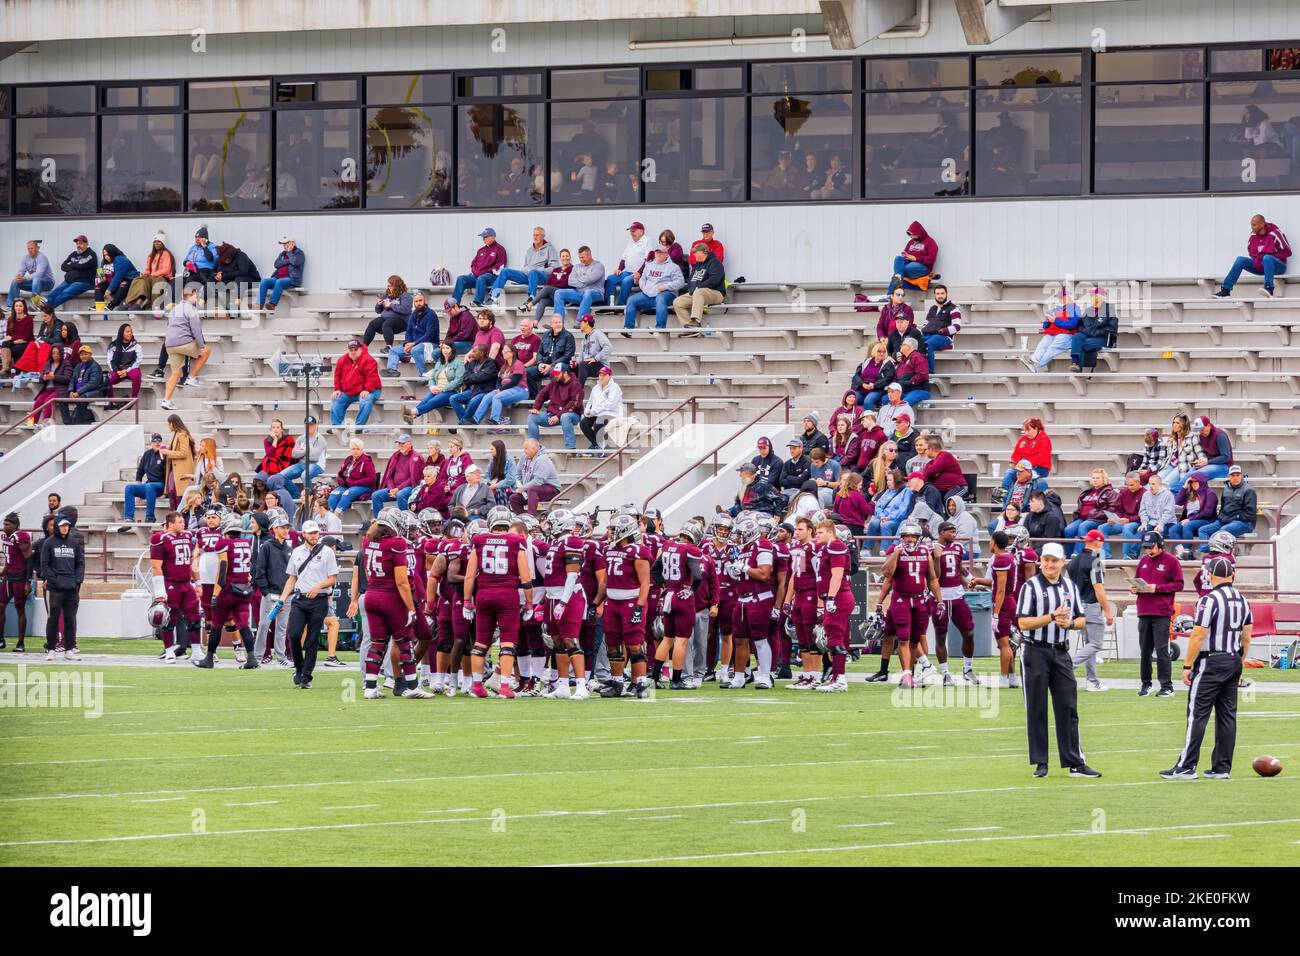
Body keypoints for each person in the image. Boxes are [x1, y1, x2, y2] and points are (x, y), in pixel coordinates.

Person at [1160, 557, 1252, 780]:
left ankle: (1186, 766)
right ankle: (1222, 767)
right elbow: (1246, 635)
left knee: (1197, 714)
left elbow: (1198, 634)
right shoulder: (1242, 600)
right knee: (1227, 715)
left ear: (1209, 576)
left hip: (1211, 661)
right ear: (1232, 575)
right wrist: (1240, 659)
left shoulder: (1209, 600)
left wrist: (1187, 665)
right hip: (1232, 659)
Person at [1016, 542, 1099, 779]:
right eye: (1046, 560)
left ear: (1063, 562)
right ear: (1041, 561)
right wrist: (1051, 617)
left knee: (1068, 706)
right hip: (1035, 651)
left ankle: (1075, 762)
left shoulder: (1070, 587)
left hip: (1061, 652)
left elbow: (1081, 619)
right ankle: (1041, 762)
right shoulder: (1030, 587)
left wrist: (1069, 624)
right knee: (1037, 708)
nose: (1050, 565)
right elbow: (1022, 622)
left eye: (1054, 560)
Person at [274, 520, 339, 690]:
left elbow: (333, 577)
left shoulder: (327, 552)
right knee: (294, 634)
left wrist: (318, 587)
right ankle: (299, 667)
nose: (314, 536)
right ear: (303, 534)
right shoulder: (296, 552)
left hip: (319, 599)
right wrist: (282, 598)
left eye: (316, 532)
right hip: (300, 597)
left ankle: (306, 675)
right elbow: (292, 577)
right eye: (310, 533)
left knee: (312, 638)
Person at [1131, 530, 1183, 698]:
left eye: (1151, 547)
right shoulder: (1143, 561)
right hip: (1144, 610)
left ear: (1160, 544)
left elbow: (1179, 584)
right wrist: (1136, 589)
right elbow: (1139, 581)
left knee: (1162, 650)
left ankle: (1167, 686)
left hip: (1161, 612)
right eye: (1145, 547)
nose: (1148, 551)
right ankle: (1146, 684)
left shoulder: (1171, 561)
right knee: (1144, 650)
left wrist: (1157, 588)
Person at [1067, 530, 1115, 692]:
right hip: (1091, 606)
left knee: (1089, 645)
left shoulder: (1073, 561)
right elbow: (1099, 588)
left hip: (1076, 606)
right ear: (1098, 542)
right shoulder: (1095, 561)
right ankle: (1069, 665)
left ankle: (1092, 681)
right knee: (1095, 644)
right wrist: (1108, 610)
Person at [37, 514, 85, 661]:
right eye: (62, 525)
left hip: (71, 588)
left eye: (67, 526)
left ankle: (69, 649)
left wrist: (77, 580)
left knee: (70, 619)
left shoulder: (74, 543)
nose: (64, 528)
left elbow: (80, 563)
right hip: (55, 588)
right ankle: (51, 649)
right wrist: (55, 580)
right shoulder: (49, 543)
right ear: (57, 527)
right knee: (53, 619)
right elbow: (45, 565)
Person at [158, 287, 211, 411]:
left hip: (170, 345)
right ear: (190, 296)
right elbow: (196, 331)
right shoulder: (191, 309)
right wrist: (202, 346)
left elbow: (169, 326)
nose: (196, 298)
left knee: (175, 373)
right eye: (195, 295)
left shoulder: (174, 309)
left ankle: (166, 400)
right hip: (183, 343)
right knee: (207, 350)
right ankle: (191, 377)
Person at [1212, 214, 1290, 299]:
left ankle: (1269, 289)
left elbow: (1287, 251)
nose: (1252, 227)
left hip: (1278, 267)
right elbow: (1250, 250)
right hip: (1261, 266)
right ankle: (1226, 291)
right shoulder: (1253, 235)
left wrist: (1268, 260)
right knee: (1240, 260)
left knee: (1267, 258)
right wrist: (1258, 260)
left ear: (1262, 224)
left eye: (1254, 225)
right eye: (1251, 224)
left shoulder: (1274, 233)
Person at [252, 515, 294, 665]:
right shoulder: (267, 546)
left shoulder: (289, 549)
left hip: (286, 595)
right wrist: (265, 592)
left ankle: (281, 657)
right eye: (282, 527)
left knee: (282, 627)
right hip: (271, 593)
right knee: (264, 625)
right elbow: (260, 570)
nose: (285, 530)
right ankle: (257, 657)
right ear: (275, 529)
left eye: (287, 527)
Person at [624, 243, 685, 332]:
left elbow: (681, 282)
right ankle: (628, 328)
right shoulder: (649, 265)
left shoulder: (673, 267)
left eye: (661, 253)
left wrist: (666, 287)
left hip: (666, 294)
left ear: (667, 254)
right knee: (631, 300)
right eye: (657, 252)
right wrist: (643, 286)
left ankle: (660, 329)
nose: (658, 254)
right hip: (648, 294)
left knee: (660, 299)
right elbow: (643, 278)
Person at [493, 226, 559, 308]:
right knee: (505, 271)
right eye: (534, 235)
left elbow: (554, 268)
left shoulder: (549, 249)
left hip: (542, 277)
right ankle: (494, 296)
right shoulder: (530, 250)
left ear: (543, 236)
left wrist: (538, 270)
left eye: (537, 235)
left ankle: (531, 297)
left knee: (533, 272)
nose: (535, 237)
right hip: (529, 276)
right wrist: (527, 270)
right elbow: (525, 267)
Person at [1196, 465, 1256, 553]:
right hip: (1225, 521)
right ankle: (1208, 552)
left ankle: (1207, 550)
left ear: (1241, 476)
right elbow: (1223, 508)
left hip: (1244, 523)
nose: (1235, 477)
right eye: (1233, 475)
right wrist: (1220, 518)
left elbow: (1250, 514)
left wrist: (1233, 518)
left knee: (1221, 532)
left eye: (1237, 475)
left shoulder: (1249, 490)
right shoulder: (1226, 489)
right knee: (1202, 530)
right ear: (1229, 476)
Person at [268, 416, 327, 503]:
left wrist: (302, 452)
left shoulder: (320, 439)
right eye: (307, 425)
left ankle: (310, 497)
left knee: (304, 475)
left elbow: (314, 457)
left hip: (316, 465)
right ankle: (297, 495)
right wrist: (307, 451)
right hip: (302, 464)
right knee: (282, 476)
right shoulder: (301, 438)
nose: (309, 427)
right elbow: (294, 454)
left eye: (311, 425)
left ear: (315, 426)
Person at [405, 341, 465, 423]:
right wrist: (432, 387)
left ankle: (412, 412)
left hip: (451, 391)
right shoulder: (440, 362)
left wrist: (443, 389)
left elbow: (458, 381)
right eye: (443, 348)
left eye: (447, 348)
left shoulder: (458, 363)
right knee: (425, 400)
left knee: (432, 401)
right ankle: (412, 416)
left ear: (452, 350)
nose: (445, 350)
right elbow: (432, 377)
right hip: (437, 389)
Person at [672, 241, 725, 336]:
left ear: (704, 252)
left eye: (696, 251)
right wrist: (693, 289)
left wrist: (698, 288)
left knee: (699, 292)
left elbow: (714, 280)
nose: (694, 253)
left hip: (716, 293)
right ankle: (691, 330)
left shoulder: (715, 262)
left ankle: (696, 321)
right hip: (698, 293)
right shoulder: (697, 265)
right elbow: (690, 281)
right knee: (678, 302)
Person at [1063, 468, 1119, 557]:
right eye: (1093, 478)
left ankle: (1079, 554)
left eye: (1098, 478)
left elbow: (1113, 508)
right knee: (1068, 530)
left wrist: (1104, 516)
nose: (1095, 480)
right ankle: (1070, 555)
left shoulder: (1110, 492)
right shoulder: (1087, 492)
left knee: (1083, 526)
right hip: (1082, 518)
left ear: (1103, 479)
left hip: (1098, 518)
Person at [383, 291, 440, 377]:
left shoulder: (431, 314)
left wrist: (413, 344)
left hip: (430, 343)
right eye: (416, 301)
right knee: (393, 350)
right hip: (414, 344)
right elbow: (408, 331)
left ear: (425, 301)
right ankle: (392, 370)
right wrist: (407, 343)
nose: (418, 303)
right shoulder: (413, 314)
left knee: (415, 350)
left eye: (420, 300)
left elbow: (430, 334)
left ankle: (423, 375)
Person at [994, 418, 1052, 502]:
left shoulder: (1044, 439)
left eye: (1028, 430)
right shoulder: (1023, 438)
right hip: (1022, 467)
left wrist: (1025, 463)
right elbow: (1015, 455)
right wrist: (1021, 464)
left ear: (1036, 428)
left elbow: (1041, 457)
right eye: (1025, 430)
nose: (1026, 433)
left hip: (1039, 468)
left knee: (1022, 477)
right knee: (1009, 473)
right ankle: (1003, 493)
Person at [1023, 288, 1080, 372]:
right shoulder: (1057, 309)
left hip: (1067, 335)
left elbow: (1071, 325)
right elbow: (1046, 327)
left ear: (1069, 297)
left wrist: (1055, 320)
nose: (1061, 299)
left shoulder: (1075, 309)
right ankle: (1033, 360)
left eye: (1063, 297)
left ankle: (1036, 367)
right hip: (1054, 334)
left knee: (1052, 348)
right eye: (1060, 297)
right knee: (1043, 343)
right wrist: (1047, 321)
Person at [473, 341, 529, 427]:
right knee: (487, 397)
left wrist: (500, 390)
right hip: (506, 389)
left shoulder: (518, 364)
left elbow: (515, 381)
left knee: (496, 397)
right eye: (503, 351)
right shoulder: (504, 366)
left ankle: (494, 420)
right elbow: (498, 380)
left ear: (512, 353)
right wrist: (498, 388)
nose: (504, 353)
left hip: (520, 390)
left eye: (506, 351)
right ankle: (475, 420)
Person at [0, 512, 34, 652]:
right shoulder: (5, 537)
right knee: (0, 606)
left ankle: (20, 642)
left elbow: (29, 559)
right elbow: (10, 558)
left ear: (15, 525)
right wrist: (3, 571)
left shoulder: (21, 537)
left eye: (7, 524)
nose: (4, 527)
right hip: (8, 577)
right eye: (4, 524)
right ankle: (1, 639)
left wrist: (28, 581)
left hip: (20, 578)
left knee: (20, 610)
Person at [527, 367, 583, 449]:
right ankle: (533, 447)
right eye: (554, 374)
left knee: (565, 417)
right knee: (532, 417)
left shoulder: (576, 384)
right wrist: (536, 407)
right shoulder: (554, 382)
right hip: (553, 415)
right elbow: (542, 394)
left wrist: (558, 416)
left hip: (572, 415)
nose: (555, 376)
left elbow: (574, 404)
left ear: (565, 373)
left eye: (557, 374)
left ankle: (570, 449)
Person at [330, 338, 381, 427]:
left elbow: (371, 377)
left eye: (355, 349)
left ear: (360, 349)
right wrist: (337, 389)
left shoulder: (369, 360)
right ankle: (337, 426)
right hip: (349, 391)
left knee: (366, 400)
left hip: (370, 390)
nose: (353, 352)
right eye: (351, 350)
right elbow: (337, 375)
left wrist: (367, 389)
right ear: (348, 350)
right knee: (336, 399)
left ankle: (358, 426)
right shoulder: (342, 360)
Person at [452, 227, 508, 306]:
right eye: (483, 237)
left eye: (486, 237)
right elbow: (473, 263)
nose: (483, 239)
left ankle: (477, 302)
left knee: (481, 278)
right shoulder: (481, 250)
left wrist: (486, 272)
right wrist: (474, 272)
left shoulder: (500, 249)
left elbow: (500, 267)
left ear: (493, 237)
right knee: (461, 278)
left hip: (491, 277)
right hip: (476, 277)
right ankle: (454, 304)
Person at [1167, 471, 1218, 558]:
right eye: (1192, 482)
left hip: (1206, 520)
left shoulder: (1210, 493)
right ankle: (1181, 552)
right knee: (1173, 530)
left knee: (1188, 526)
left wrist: (1190, 519)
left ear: (1202, 481)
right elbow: (1178, 501)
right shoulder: (1190, 492)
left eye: (1196, 481)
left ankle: (1188, 552)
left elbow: (1207, 513)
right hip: (1191, 520)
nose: (1193, 484)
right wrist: (1184, 487)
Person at [372, 434, 425, 514]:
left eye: (403, 443)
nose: (400, 445)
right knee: (376, 495)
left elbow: (414, 478)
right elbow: (389, 475)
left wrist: (398, 489)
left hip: (410, 488)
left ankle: (406, 519)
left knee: (401, 495)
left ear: (410, 444)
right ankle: (379, 521)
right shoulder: (395, 456)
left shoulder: (416, 457)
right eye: (399, 443)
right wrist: (391, 489)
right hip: (394, 488)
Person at [1069, 287, 1117, 373]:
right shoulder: (1088, 310)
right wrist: (1088, 331)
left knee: (1083, 344)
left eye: (1094, 296)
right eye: (1091, 296)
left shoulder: (1109, 309)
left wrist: (1094, 332)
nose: (1092, 298)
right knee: (1077, 337)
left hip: (1103, 338)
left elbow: (1112, 328)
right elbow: (1081, 326)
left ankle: (1078, 370)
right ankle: (1075, 363)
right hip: (1088, 335)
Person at [553, 245, 606, 323]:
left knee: (588, 292)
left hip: (595, 293)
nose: (581, 260)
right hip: (579, 293)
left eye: (583, 257)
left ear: (589, 255)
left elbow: (590, 279)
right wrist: (583, 283)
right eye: (580, 257)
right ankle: (558, 322)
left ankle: (579, 321)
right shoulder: (577, 267)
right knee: (558, 293)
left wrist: (578, 281)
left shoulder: (598, 266)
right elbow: (570, 281)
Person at [447, 344, 499, 423]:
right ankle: (464, 422)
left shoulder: (491, 364)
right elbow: (465, 378)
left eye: (474, 352)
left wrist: (472, 377)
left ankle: (463, 423)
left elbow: (482, 377)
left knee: (473, 401)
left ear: (481, 353)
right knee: (453, 398)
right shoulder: (472, 363)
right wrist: (475, 376)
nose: (472, 354)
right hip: (472, 390)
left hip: (484, 391)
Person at [123, 231, 174, 311]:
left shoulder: (166, 254)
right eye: (155, 242)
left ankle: (153, 305)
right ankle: (133, 303)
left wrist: (154, 274)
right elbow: (148, 270)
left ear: (163, 243)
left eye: (159, 242)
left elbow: (166, 270)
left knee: (156, 280)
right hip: (152, 276)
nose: (156, 244)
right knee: (139, 280)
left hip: (163, 277)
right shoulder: (151, 255)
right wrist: (144, 274)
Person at [41, 235, 96, 309]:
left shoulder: (91, 254)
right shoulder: (74, 254)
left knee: (65, 293)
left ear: (86, 244)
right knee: (56, 291)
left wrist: (72, 264)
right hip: (69, 281)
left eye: (81, 243)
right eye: (77, 244)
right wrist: (77, 265)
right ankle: (43, 304)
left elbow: (81, 266)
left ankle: (47, 309)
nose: (78, 246)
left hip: (84, 282)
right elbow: (63, 267)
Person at [917, 283, 962, 373]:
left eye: (942, 293)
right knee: (915, 342)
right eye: (938, 294)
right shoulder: (933, 309)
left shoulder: (953, 308)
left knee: (928, 344)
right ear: (935, 295)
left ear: (946, 294)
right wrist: (921, 332)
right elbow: (926, 324)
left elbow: (957, 326)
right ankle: (917, 370)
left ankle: (930, 372)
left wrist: (942, 331)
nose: (940, 296)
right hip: (928, 335)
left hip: (944, 337)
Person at [605, 221, 652, 306]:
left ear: (641, 231)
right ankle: (609, 305)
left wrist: (639, 272)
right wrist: (619, 269)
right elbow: (624, 258)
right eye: (631, 231)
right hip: (627, 271)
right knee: (610, 278)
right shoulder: (631, 241)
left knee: (626, 281)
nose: (631, 233)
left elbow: (648, 260)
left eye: (633, 231)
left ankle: (620, 306)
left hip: (639, 274)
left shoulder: (647, 240)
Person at [362, 275, 412, 353]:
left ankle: (389, 347)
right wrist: (379, 304)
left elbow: (406, 310)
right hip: (386, 318)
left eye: (391, 286)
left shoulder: (405, 296)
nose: (389, 288)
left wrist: (391, 305)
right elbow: (378, 311)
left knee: (387, 323)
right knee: (373, 323)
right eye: (388, 286)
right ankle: (363, 347)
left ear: (397, 286)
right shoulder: (387, 294)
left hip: (401, 321)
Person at [528, 313, 575, 396]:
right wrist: (540, 363)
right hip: (545, 365)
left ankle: (554, 399)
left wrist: (551, 366)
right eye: (556, 323)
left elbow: (568, 356)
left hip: (561, 366)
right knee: (527, 372)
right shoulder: (546, 335)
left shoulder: (568, 336)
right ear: (551, 324)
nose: (558, 325)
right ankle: (534, 397)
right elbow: (539, 352)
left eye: (560, 322)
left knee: (555, 372)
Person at [327, 437, 378, 513]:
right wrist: (341, 480)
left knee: (347, 494)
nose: (355, 451)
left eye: (358, 449)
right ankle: (330, 514)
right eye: (353, 449)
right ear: (350, 450)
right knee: (333, 495)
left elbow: (372, 479)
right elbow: (341, 474)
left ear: (361, 450)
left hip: (364, 487)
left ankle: (336, 515)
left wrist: (353, 483)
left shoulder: (367, 462)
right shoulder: (348, 460)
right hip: (347, 486)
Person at [510, 439, 561, 514]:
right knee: (513, 498)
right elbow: (518, 473)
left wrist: (523, 488)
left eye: (526, 448)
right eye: (524, 448)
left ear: (534, 448)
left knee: (532, 490)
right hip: (531, 489)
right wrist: (519, 484)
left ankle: (531, 517)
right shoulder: (524, 457)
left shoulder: (542, 459)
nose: (524, 451)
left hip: (551, 488)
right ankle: (523, 519)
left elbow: (538, 481)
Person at [886, 221, 938, 295]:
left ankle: (890, 294)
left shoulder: (930, 242)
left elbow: (932, 258)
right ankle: (898, 279)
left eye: (914, 235)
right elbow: (906, 252)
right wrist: (906, 255)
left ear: (919, 232)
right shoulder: (911, 242)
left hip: (923, 267)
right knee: (898, 259)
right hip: (909, 263)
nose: (912, 237)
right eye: (911, 236)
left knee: (901, 270)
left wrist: (916, 258)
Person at [26, 344, 71, 427]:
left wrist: (54, 377)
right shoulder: (48, 363)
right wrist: (44, 377)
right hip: (47, 389)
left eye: (57, 353)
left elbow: (67, 379)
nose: (55, 355)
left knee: (48, 401)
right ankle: (30, 423)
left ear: (61, 353)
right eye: (53, 353)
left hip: (59, 390)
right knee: (38, 402)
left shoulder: (66, 363)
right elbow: (40, 377)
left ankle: (45, 423)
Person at [579, 365, 621, 453]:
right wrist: (587, 411)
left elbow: (610, 404)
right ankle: (596, 445)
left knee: (597, 424)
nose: (601, 377)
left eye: (604, 375)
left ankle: (600, 448)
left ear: (609, 376)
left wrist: (594, 411)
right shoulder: (595, 388)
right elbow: (590, 402)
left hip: (611, 413)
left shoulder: (614, 387)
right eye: (600, 375)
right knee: (583, 423)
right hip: (596, 413)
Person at [257, 236, 306, 311]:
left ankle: (272, 304)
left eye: (286, 244)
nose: (284, 246)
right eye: (283, 244)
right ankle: (259, 305)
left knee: (279, 282)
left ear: (292, 243)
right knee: (264, 281)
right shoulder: (282, 254)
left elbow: (295, 262)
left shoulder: (299, 253)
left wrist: (289, 252)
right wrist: (288, 261)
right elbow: (276, 264)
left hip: (292, 279)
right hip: (277, 277)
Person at [63, 344, 106, 424]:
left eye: (86, 354)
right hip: (78, 392)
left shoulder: (95, 366)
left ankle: (78, 423)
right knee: (62, 398)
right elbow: (72, 379)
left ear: (90, 354)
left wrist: (78, 392)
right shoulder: (78, 366)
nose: (84, 356)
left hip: (95, 391)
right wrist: (71, 391)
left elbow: (93, 384)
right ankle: (67, 421)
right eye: (82, 354)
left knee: (81, 399)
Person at [528, 250, 573, 328]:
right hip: (553, 294)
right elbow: (548, 282)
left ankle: (531, 304)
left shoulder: (573, 269)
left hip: (564, 295)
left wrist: (554, 285)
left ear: (570, 257)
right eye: (563, 256)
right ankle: (535, 323)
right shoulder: (556, 270)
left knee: (548, 288)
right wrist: (553, 286)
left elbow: (566, 283)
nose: (565, 258)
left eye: (567, 256)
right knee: (542, 301)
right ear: (560, 258)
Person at [7, 239, 54, 306]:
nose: (30, 250)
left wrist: (25, 278)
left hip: (48, 282)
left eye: (32, 248)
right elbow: (21, 270)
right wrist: (19, 276)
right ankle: (11, 306)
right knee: (15, 281)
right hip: (35, 284)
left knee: (36, 279)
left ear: (37, 248)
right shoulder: (25, 258)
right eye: (28, 248)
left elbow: (39, 274)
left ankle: (35, 305)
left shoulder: (42, 257)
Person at [1189, 416, 1234, 485]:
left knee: (1194, 475)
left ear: (1208, 426)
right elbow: (1206, 453)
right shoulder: (1202, 435)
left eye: (1202, 429)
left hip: (1224, 466)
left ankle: (1174, 493)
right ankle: (1173, 492)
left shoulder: (1220, 435)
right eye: (1199, 430)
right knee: (1187, 474)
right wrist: (1200, 461)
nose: (1200, 432)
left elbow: (1226, 457)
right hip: (1210, 464)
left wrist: (1207, 462)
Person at [94, 243, 139, 312]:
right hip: (113, 283)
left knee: (123, 284)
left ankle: (111, 306)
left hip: (128, 281)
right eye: (105, 255)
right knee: (98, 286)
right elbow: (100, 271)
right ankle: (99, 307)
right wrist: (101, 278)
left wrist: (109, 290)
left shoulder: (121, 259)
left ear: (112, 253)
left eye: (108, 255)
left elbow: (118, 276)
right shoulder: (104, 261)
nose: (106, 257)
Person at [854, 340, 897, 410]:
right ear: (874, 352)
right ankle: (851, 419)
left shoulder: (888, 364)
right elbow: (856, 376)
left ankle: (869, 419)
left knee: (868, 401)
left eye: (884, 352)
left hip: (877, 390)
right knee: (851, 398)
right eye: (879, 351)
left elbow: (888, 379)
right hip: (862, 388)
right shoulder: (866, 361)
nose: (882, 354)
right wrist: (862, 384)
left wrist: (874, 385)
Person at [104, 322, 143, 401]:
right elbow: (110, 360)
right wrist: (117, 371)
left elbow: (138, 360)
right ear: (122, 333)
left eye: (131, 332)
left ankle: (133, 400)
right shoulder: (113, 346)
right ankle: (112, 401)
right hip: (118, 370)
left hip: (130, 369)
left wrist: (126, 370)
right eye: (127, 332)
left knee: (136, 376)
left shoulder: (136, 345)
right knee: (107, 378)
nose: (130, 334)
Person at [572, 314, 611, 385]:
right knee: (570, 369)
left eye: (581, 322)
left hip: (601, 366)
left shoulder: (597, 333)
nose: (580, 324)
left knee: (583, 365)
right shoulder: (584, 340)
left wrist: (596, 358)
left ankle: (578, 393)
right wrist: (575, 363)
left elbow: (608, 347)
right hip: (588, 365)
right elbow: (581, 357)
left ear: (586, 322)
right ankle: (568, 393)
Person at [1, 299, 34, 379]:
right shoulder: (10, 319)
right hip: (14, 342)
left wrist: (13, 338)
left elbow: (27, 336)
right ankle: (6, 368)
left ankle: (10, 372)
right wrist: (14, 340)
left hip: (26, 343)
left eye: (20, 306)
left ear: (24, 308)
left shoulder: (29, 319)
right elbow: (8, 335)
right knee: (5, 344)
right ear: (14, 307)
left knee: (13, 350)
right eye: (16, 306)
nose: (18, 308)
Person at [893, 337, 931, 406]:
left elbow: (922, 375)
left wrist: (909, 382)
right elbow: (896, 376)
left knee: (903, 404)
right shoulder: (903, 360)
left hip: (919, 389)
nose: (900, 346)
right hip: (904, 390)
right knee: (886, 399)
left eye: (903, 344)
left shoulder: (918, 357)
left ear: (909, 347)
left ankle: (900, 416)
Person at [486, 439, 519, 505]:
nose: (491, 451)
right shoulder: (492, 460)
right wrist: (488, 483)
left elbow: (511, 479)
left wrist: (497, 485)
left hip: (507, 487)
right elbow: (487, 475)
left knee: (498, 491)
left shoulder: (509, 460)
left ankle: (501, 512)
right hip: (494, 485)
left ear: (498, 449)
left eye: (492, 449)